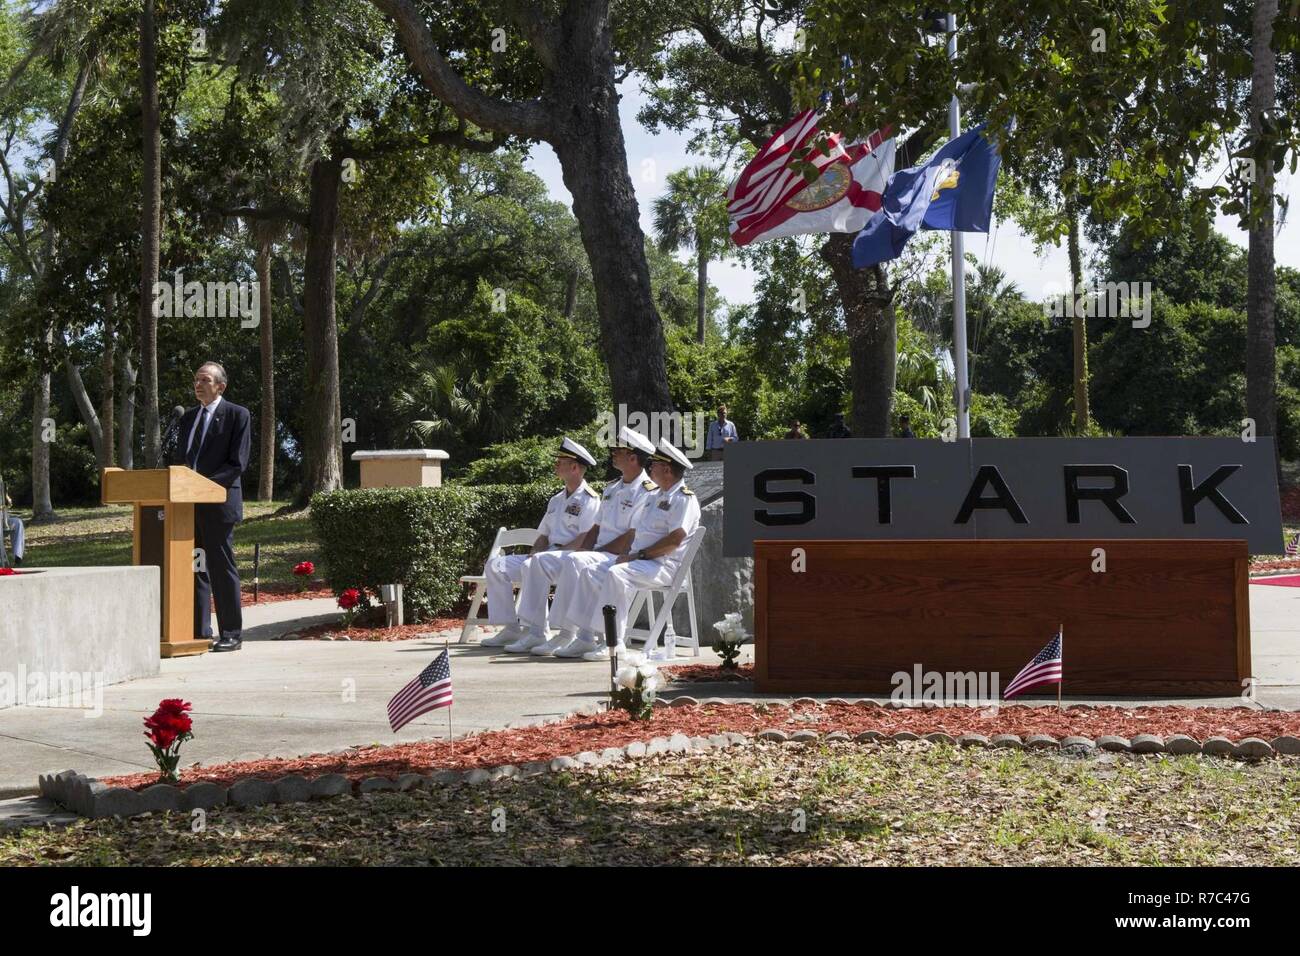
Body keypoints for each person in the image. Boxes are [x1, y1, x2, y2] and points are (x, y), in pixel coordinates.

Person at [522, 426, 658, 658]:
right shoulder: (612, 488)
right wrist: (586, 549)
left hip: (620, 554)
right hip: (598, 552)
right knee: (548, 561)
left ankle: (570, 633)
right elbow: (596, 527)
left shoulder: (647, 491)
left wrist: (594, 551)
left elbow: (631, 535)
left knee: (576, 561)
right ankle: (559, 633)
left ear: (633, 458)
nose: (613, 453)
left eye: (618, 450)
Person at [574, 437, 701, 661]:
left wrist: (637, 555)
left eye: (656, 465)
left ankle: (614, 641)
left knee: (616, 574)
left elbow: (675, 539)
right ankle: (585, 637)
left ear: (668, 470)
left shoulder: (683, 499)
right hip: (641, 561)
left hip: (663, 565)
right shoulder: (654, 496)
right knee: (591, 572)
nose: (650, 467)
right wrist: (632, 556)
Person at [480, 438, 600, 651]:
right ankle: (511, 628)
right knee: (496, 566)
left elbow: (586, 537)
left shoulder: (590, 500)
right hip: (547, 556)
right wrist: (535, 551)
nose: (555, 465)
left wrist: (551, 554)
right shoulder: (556, 500)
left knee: (534, 564)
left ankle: (538, 631)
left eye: (560, 461)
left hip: (571, 556)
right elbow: (543, 534)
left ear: (574, 467)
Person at [173, 362, 251, 652]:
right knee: (195, 565)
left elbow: (237, 463)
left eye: (205, 380)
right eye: (196, 379)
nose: (198, 384)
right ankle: (198, 630)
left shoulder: (237, 415)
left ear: (221, 386)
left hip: (218, 503)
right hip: (187, 505)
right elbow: (183, 459)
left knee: (220, 567)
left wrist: (202, 485)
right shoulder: (187, 418)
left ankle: (231, 633)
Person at [2, 491, 23, 566]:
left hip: (4, 520)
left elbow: (9, 504)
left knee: (18, 522)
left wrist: (8, 500)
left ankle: (18, 555)